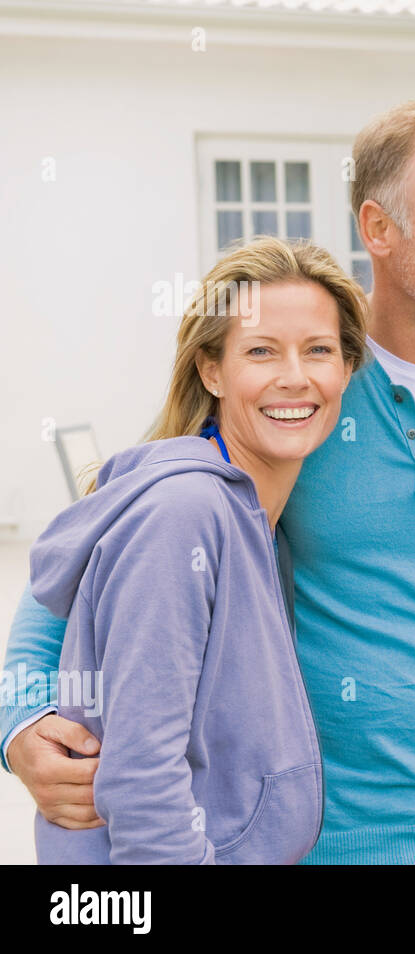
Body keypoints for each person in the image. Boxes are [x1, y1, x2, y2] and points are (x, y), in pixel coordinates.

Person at [2, 101, 415, 864]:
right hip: (305, 841)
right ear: (378, 228)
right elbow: (79, 564)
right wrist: (21, 723)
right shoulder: (292, 403)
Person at [23, 237, 367, 863]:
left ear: (346, 369)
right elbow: (143, 784)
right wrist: (16, 721)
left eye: (318, 349)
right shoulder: (185, 515)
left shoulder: (252, 514)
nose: (295, 376)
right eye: (261, 351)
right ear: (212, 370)